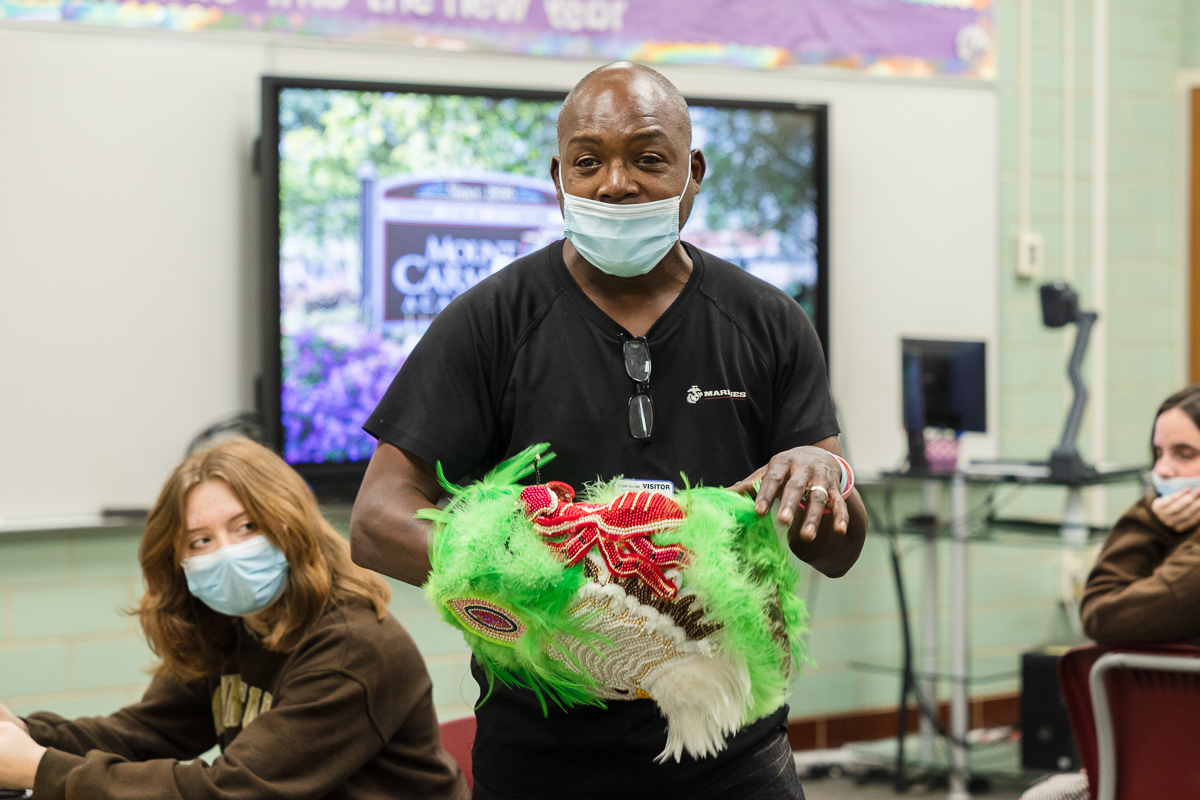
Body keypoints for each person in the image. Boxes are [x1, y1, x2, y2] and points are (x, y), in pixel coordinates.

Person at [350, 62, 868, 799]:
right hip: (543, 757)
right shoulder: (490, 321)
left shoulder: (766, 321)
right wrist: (562, 592)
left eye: (648, 159)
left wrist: (825, 480)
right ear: (558, 176)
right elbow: (375, 522)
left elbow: (840, 551)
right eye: (588, 162)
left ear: (694, 173)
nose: (616, 184)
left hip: (732, 753)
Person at [0, 437, 468, 800]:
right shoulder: (231, 624)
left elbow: (231, 791)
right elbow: (147, 732)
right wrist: (23, 734)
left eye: (246, 526)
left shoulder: (352, 647)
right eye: (200, 541)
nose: (226, 552)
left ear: (289, 524)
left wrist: (39, 769)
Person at [1020, 384, 1200, 800]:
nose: (1165, 471)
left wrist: (1147, 518)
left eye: (1185, 454)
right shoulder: (1180, 538)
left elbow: (1101, 612)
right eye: (1159, 454)